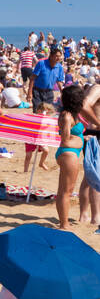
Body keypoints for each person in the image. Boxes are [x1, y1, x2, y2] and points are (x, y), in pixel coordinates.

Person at [55, 84, 86, 230]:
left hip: (71, 154)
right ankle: (64, 224)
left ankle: (64, 223)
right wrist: (80, 141)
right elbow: (65, 140)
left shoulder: (71, 114)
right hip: (68, 154)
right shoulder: (67, 116)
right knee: (65, 192)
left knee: (67, 190)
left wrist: (83, 139)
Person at [29, 47, 66, 112]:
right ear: (51, 56)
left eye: (60, 56)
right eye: (56, 56)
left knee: (47, 112)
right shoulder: (41, 63)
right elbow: (32, 78)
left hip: (49, 93)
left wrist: (62, 93)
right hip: (37, 92)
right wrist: (29, 93)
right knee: (37, 111)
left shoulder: (59, 67)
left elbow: (59, 82)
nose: (59, 58)